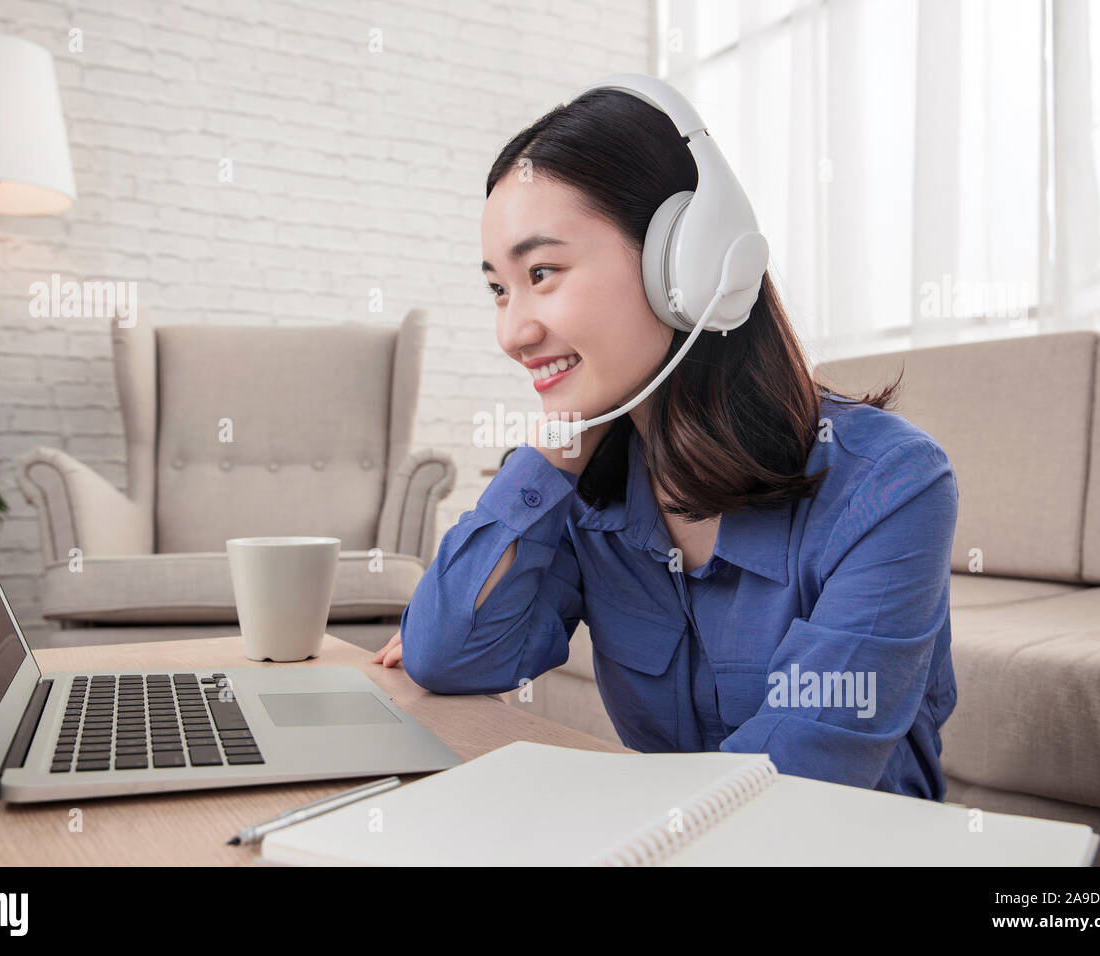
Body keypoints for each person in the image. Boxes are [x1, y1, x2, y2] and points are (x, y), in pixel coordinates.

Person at [372, 85, 960, 800]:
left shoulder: (893, 485)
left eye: (542, 274)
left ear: (688, 264)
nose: (512, 332)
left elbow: (799, 775)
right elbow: (446, 655)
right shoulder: (589, 494)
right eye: (500, 289)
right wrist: (558, 444)